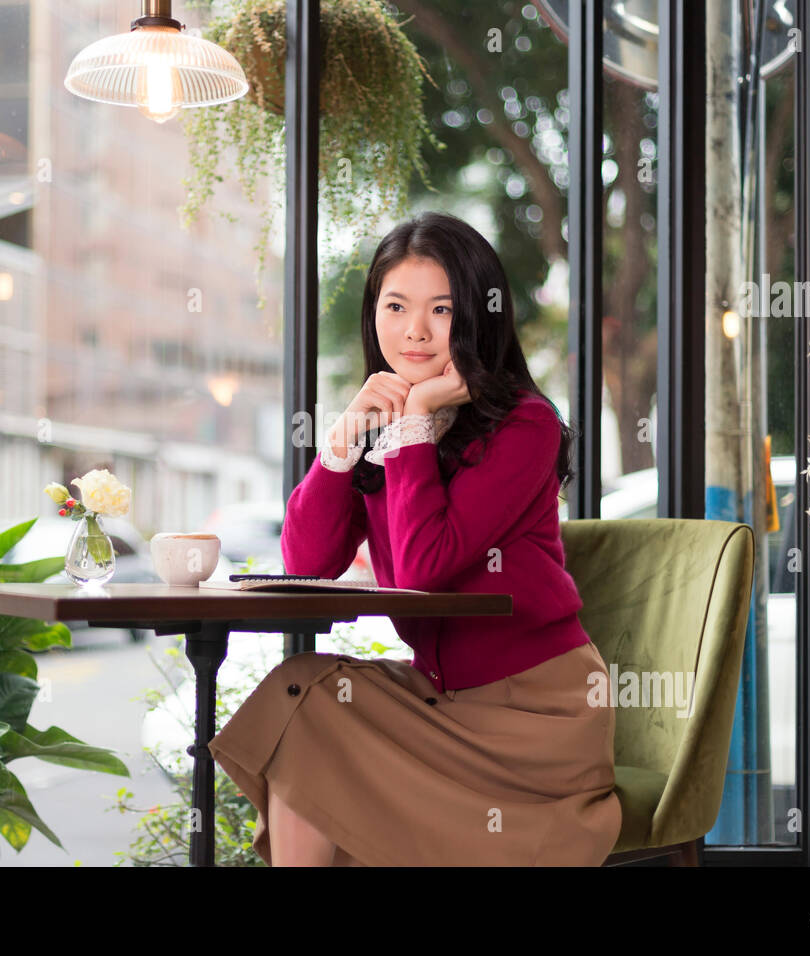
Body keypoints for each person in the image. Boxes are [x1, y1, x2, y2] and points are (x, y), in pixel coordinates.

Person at [207, 211, 622, 866]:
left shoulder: (526, 424)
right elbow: (307, 561)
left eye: (441, 309)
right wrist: (342, 443)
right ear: (375, 313)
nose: (415, 331)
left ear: (477, 317)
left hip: (538, 719)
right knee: (301, 693)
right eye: (396, 306)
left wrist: (418, 418)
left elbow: (427, 569)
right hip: (443, 698)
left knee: (312, 718)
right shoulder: (383, 427)